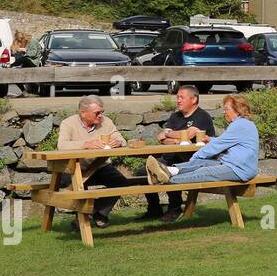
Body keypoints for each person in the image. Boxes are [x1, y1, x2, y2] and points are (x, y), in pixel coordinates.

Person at [56, 96, 137, 228]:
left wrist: (118, 142)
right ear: (83, 112)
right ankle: (83, 219)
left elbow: (122, 140)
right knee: (79, 184)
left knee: (121, 182)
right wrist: (87, 144)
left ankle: (98, 212)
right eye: (97, 113)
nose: (100, 116)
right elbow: (62, 145)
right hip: (75, 167)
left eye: (101, 112)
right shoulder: (68, 123)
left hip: (100, 165)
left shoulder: (106, 122)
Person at [145, 93, 259, 185]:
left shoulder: (240, 125)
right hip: (230, 164)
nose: (224, 112)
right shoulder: (242, 124)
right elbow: (224, 142)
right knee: (201, 163)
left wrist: (195, 156)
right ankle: (168, 170)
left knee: (204, 171)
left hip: (240, 169)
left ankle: (165, 179)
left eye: (226, 109)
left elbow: (217, 146)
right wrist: (210, 139)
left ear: (238, 110)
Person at [142, 84, 216, 223]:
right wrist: (178, 140)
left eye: (181, 97)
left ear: (193, 100)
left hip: (192, 162)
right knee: (143, 171)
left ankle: (174, 209)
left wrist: (170, 134)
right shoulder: (175, 116)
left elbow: (188, 134)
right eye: (177, 97)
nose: (178, 101)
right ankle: (154, 209)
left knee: (168, 170)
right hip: (170, 157)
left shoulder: (202, 116)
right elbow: (161, 139)